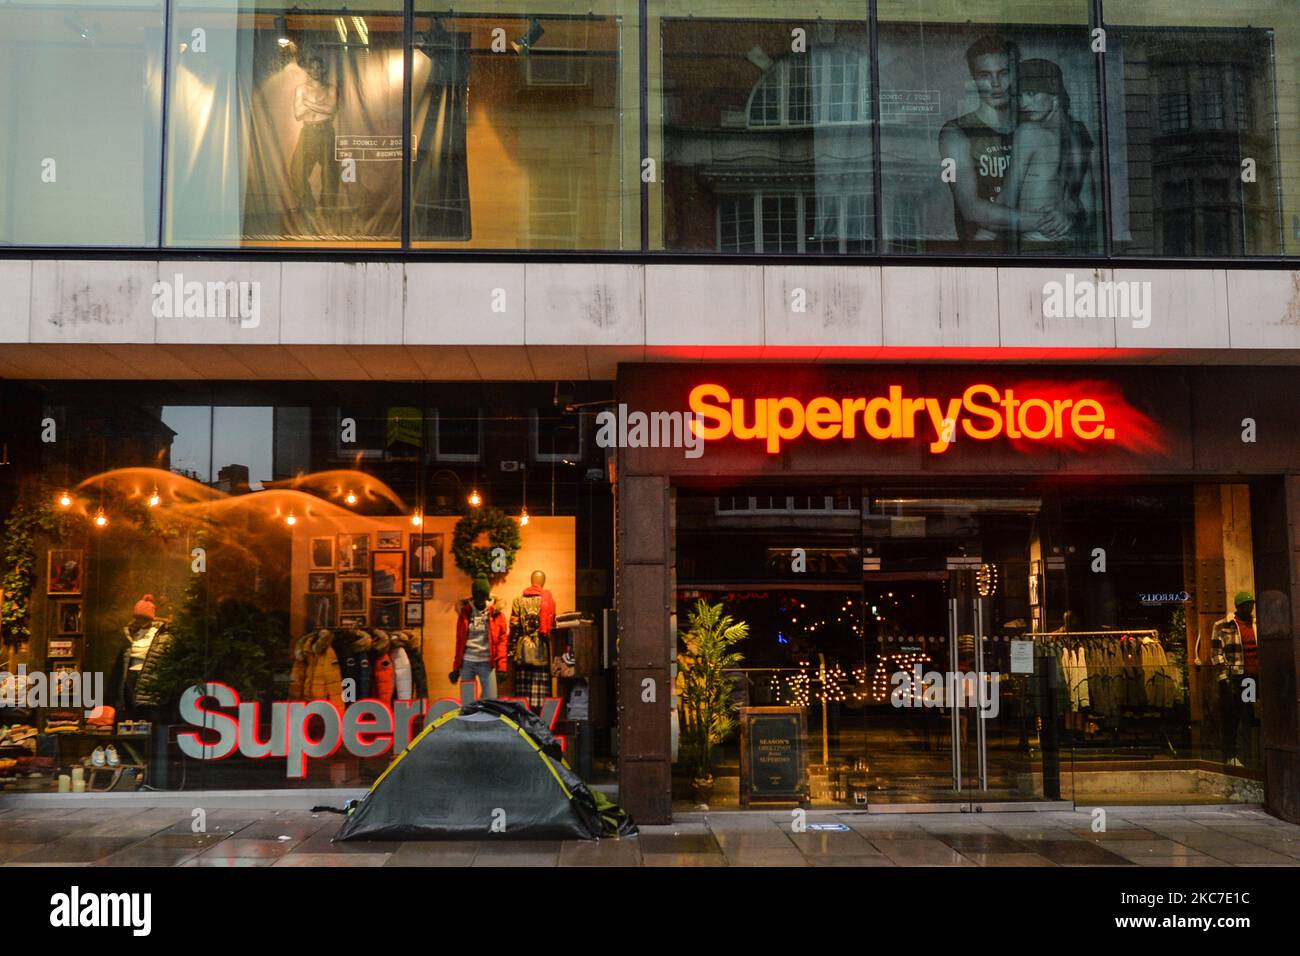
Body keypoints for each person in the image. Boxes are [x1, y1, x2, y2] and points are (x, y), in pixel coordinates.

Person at [937, 35, 1074, 249]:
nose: (996, 84)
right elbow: (972, 209)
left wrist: (1065, 211)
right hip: (984, 255)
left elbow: (1068, 189)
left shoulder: (1035, 127)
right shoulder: (956, 132)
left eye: (1004, 73)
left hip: (1036, 253)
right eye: (985, 75)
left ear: (1016, 75)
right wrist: (1043, 222)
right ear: (973, 78)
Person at [988, 58, 1095, 249]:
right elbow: (1088, 212)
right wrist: (1068, 208)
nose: (1024, 103)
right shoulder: (1080, 136)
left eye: (1031, 93)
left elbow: (1005, 202)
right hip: (1070, 250)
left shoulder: (1029, 132)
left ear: (1054, 95)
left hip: (1034, 249)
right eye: (1019, 96)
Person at [1210, 591, 1259, 768]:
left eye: (1251, 604)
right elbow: (1216, 654)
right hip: (1235, 677)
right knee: (1233, 716)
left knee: (1249, 714)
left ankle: (1249, 754)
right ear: (1238, 607)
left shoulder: (1255, 624)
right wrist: (1223, 677)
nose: (1250, 607)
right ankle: (1230, 754)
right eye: (1246, 605)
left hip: (1252, 678)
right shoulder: (1224, 625)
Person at [290, 52, 339, 213]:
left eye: (319, 68)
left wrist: (308, 103)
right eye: (313, 68)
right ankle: (308, 205)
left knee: (330, 172)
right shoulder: (301, 89)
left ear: (323, 69)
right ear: (308, 70)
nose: (316, 71)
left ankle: (328, 208)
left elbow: (331, 110)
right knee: (298, 170)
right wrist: (320, 105)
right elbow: (298, 115)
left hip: (326, 131)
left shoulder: (331, 88)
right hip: (309, 132)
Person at [450, 574, 507, 704]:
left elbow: (502, 642)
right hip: (467, 662)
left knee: (491, 700)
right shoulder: (465, 613)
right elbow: (459, 642)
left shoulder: (496, 614)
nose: (480, 599)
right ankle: (470, 723)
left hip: (487, 662)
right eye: (477, 596)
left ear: (487, 596)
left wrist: (502, 667)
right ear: (473, 596)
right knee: (467, 701)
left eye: (483, 596)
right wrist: (456, 667)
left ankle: (482, 719)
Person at [510, 570, 556, 710]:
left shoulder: (518, 600)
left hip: (522, 650)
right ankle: (539, 723)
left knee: (522, 695)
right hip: (542, 649)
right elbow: (552, 626)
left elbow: (514, 626)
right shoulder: (548, 600)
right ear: (543, 582)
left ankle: (523, 725)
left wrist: (511, 649)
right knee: (540, 695)